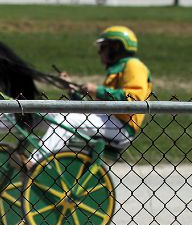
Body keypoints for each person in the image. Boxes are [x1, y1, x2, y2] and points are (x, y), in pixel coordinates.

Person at [30, 25, 152, 165]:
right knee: (50, 113)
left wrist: (96, 90)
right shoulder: (116, 72)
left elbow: (134, 99)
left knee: (68, 120)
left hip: (122, 127)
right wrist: (71, 88)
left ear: (116, 47)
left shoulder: (133, 65)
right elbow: (91, 108)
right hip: (109, 122)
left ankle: (34, 163)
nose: (99, 52)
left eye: (103, 47)